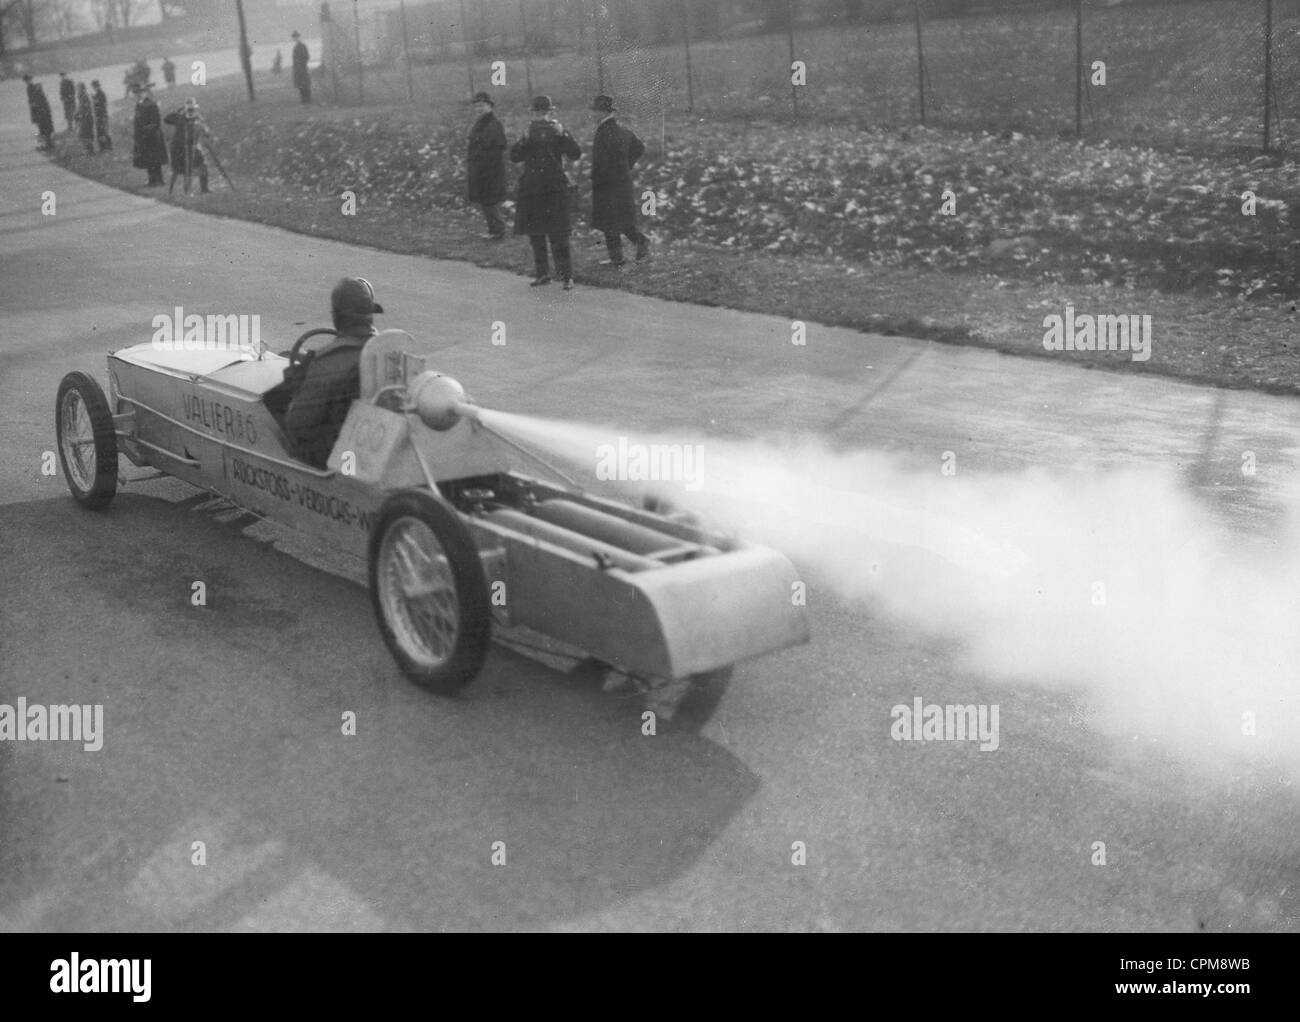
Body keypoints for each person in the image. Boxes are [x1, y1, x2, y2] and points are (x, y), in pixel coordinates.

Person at [282, 278, 384, 468]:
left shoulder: (329, 361)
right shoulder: (389, 352)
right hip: (379, 449)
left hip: (339, 459)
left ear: (337, 315)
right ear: (370, 315)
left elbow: (297, 426)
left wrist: (297, 390)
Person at [510, 95, 581, 289]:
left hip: (554, 188)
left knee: (559, 234)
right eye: (538, 113)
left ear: (551, 113)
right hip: (533, 188)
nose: (541, 116)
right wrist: (524, 140)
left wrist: (564, 134)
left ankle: (566, 276)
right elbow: (514, 157)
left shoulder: (558, 131)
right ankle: (542, 274)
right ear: (532, 113)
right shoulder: (528, 132)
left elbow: (575, 153)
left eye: (544, 112)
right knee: (536, 234)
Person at [588, 95, 649, 266]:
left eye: (595, 111)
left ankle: (619, 257)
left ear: (602, 113)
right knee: (621, 220)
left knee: (610, 222)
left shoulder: (602, 133)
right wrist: (626, 166)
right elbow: (639, 147)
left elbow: (601, 162)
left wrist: (597, 179)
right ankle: (639, 244)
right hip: (622, 182)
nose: (593, 115)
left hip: (606, 184)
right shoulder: (623, 131)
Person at [466, 91, 507, 240]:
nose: (479, 109)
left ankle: (498, 231)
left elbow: (498, 147)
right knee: (486, 201)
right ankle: (494, 230)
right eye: (476, 106)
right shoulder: (481, 123)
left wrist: (484, 165)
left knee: (489, 201)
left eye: (482, 105)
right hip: (481, 169)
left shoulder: (493, 124)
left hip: (490, 169)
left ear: (490, 106)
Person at [164, 97, 208, 194]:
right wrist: (178, 112)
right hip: (181, 152)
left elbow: (206, 133)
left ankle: (203, 189)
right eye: (190, 109)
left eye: (192, 109)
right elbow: (166, 119)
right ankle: (191, 191)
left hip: (185, 150)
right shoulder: (180, 117)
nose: (191, 111)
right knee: (198, 163)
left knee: (202, 163)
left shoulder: (195, 119)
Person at [132, 86, 168, 186]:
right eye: (136, 93)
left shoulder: (151, 105)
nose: (137, 95)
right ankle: (152, 180)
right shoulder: (139, 105)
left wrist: (145, 130)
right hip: (143, 137)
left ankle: (159, 180)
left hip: (152, 137)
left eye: (140, 93)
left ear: (145, 93)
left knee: (155, 160)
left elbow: (156, 122)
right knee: (148, 160)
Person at [24, 76, 55, 149]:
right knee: (42, 128)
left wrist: (34, 105)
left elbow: (34, 102)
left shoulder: (34, 90)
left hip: (40, 113)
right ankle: (47, 144)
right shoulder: (35, 91)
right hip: (39, 112)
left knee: (43, 128)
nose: (27, 82)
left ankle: (48, 145)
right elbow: (32, 101)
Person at [74, 82, 95, 155]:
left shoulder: (84, 97)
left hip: (86, 119)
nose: (77, 90)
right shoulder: (82, 97)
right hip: (85, 119)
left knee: (84, 135)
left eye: (78, 89)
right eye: (77, 89)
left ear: (82, 89)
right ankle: (88, 151)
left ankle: (89, 151)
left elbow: (83, 109)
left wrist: (78, 115)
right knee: (84, 135)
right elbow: (80, 109)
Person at [91, 80, 111, 152]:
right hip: (101, 115)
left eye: (94, 86)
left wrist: (94, 99)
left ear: (97, 86)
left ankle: (105, 147)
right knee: (103, 131)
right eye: (93, 86)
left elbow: (101, 104)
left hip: (101, 115)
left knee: (102, 131)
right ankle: (106, 147)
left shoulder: (100, 93)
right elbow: (102, 104)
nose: (93, 88)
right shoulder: (99, 93)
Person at [291, 32, 311, 104]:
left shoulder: (302, 46)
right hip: (298, 68)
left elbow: (306, 57)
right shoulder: (296, 47)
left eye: (296, 37)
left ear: (299, 37)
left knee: (304, 84)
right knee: (301, 85)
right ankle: (304, 99)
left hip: (302, 68)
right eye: (294, 37)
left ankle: (307, 99)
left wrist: (302, 64)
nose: (295, 39)